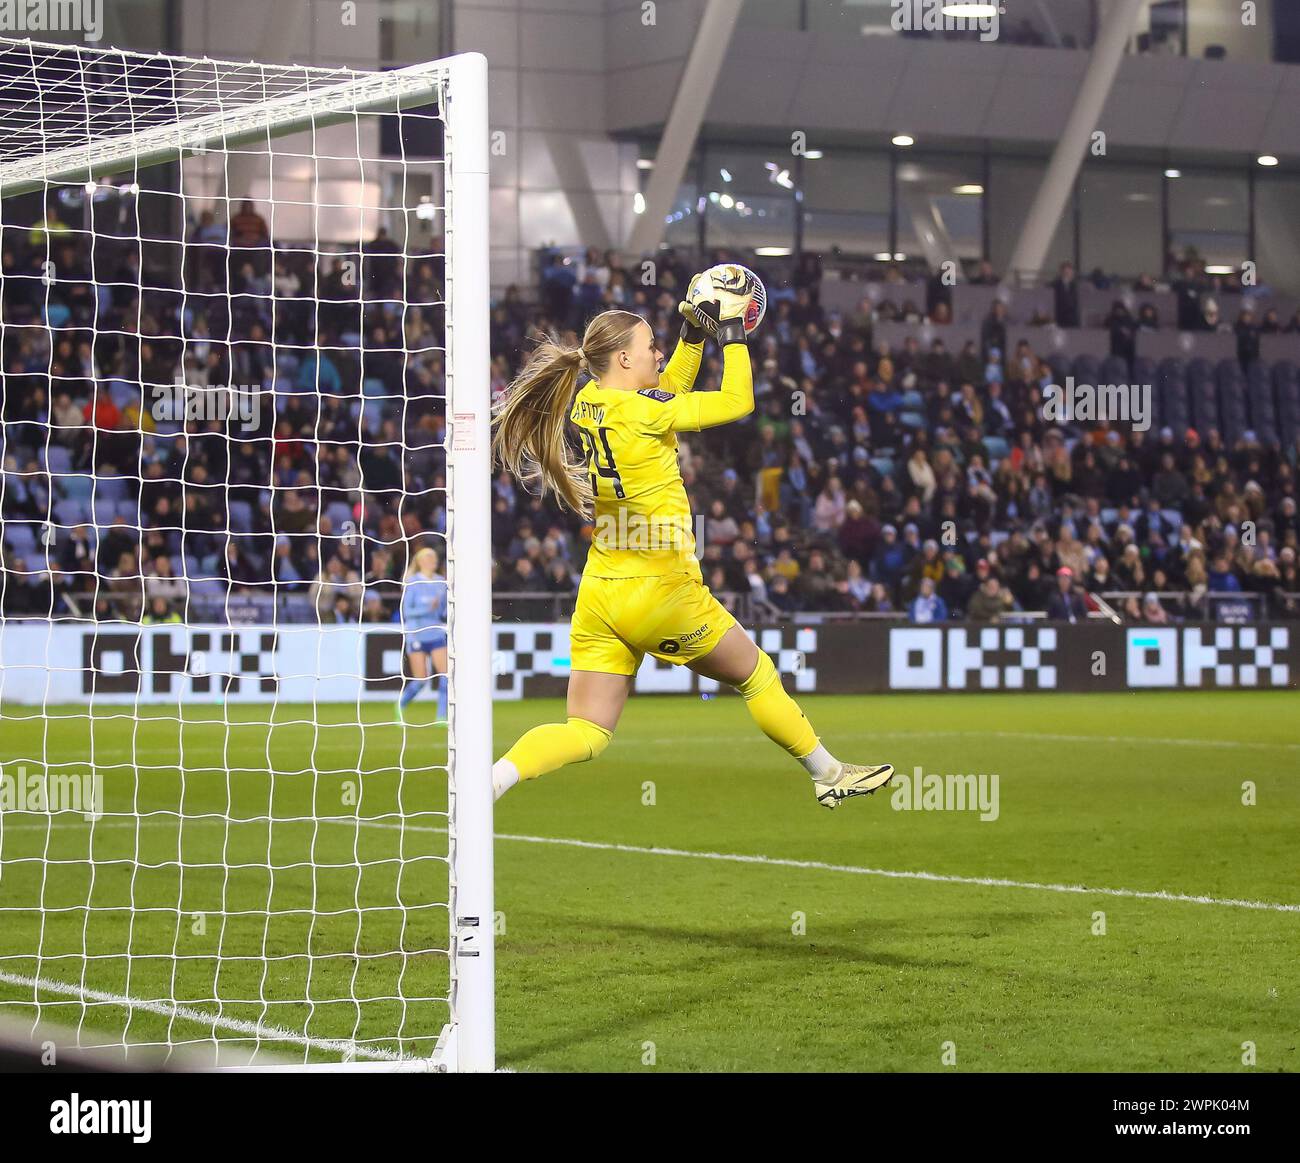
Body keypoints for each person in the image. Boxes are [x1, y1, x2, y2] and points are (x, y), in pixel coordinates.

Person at [489, 294, 894, 810]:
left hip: (600, 592)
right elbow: (736, 402)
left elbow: (662, 395)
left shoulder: (590, 401)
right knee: (756, 674)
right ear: (625, 359)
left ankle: (495, 779)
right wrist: (734, 335)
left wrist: (692, 339)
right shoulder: (643, 412)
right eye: (651, 346)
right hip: (661, 590)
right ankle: (828, 773)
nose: (658, 354)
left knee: (587, 732)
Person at [396, 546, 449, 724]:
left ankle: (441, 716)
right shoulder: (412, 582)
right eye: (428, 558)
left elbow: (441, 611)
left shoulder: (441, 582)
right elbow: (407, 612)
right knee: (421, 680)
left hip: (436, 634)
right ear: (420, 562)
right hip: (417, 635)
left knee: (445, 677)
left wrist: (442, 610)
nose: (432, 561)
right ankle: (400, 705)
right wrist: (428, 608)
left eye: (434, 558)